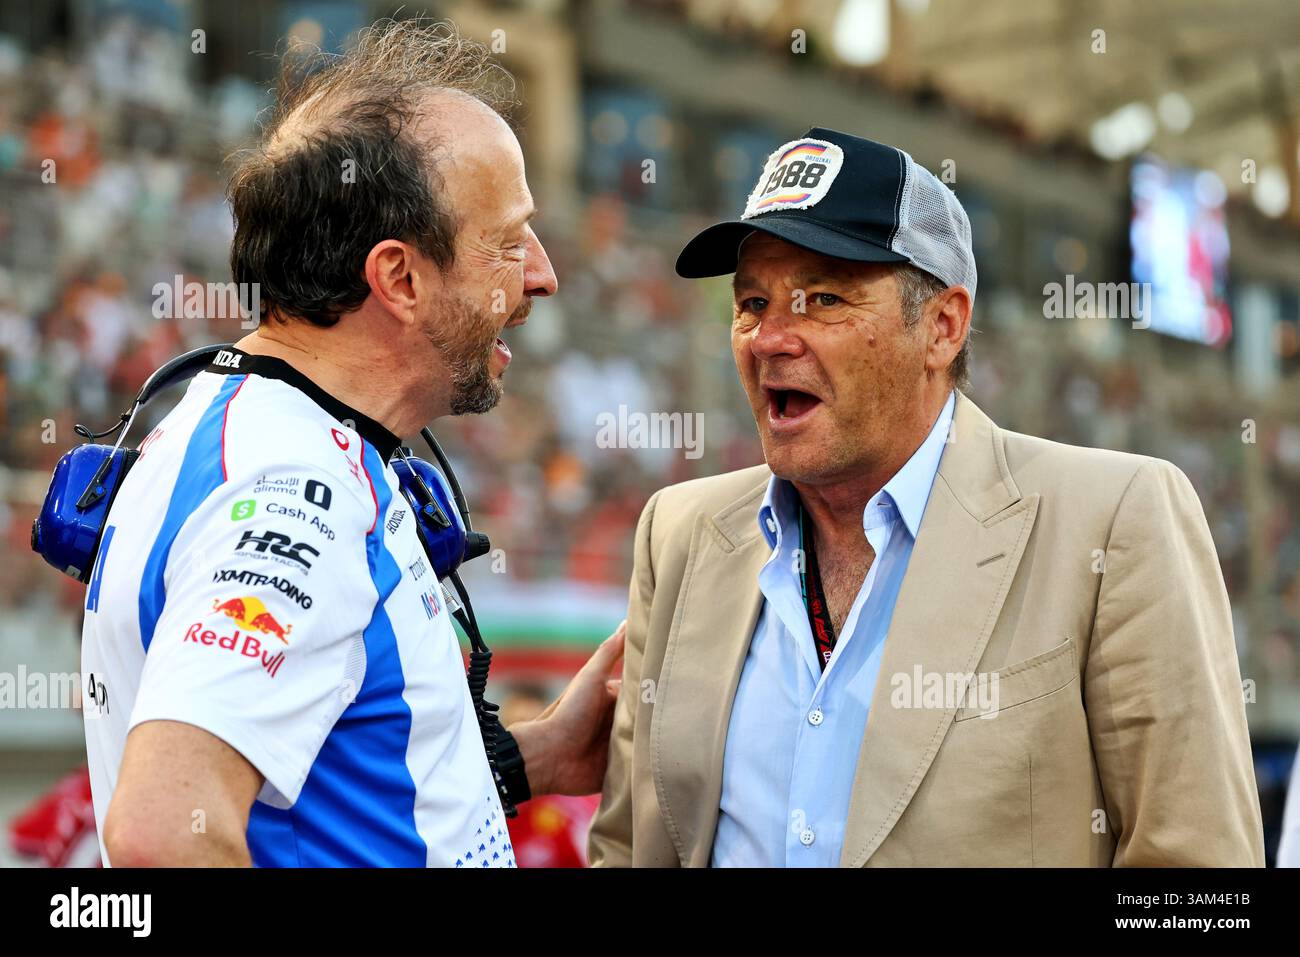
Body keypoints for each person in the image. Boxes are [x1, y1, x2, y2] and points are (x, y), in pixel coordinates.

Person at [589, 127, 1264, 867]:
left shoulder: (1115, 516)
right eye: (752, 301)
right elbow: (626, 848)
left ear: (943, 326)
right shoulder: (680, 532)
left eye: (822, 298)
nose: (770, 337)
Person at [82, 19, 623, 868]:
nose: (542, 275)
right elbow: (159, 834)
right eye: (509, 241)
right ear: (400, 278)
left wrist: (539, 755)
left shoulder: (285, 438)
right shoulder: (295, 486)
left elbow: (331, 785)